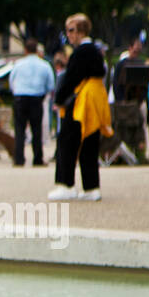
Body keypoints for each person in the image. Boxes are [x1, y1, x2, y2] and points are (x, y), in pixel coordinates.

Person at [49, 14, 110, 201]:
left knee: (67, 141)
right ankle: (91, 187)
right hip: (94, 99)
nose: (68, 34)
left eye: (72, 30)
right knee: (89, 144)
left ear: (82, 30)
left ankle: (66, 184)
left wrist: (59, 99)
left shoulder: (81, 52)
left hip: (82, 101)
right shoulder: (94, 50)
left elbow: (71, 78)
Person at [8, 38, 55, 166]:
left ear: (25, 50)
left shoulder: (18, 64)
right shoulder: (44, 65)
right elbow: (50, 85)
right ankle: (38, 158)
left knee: (19, 129)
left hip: (20, 97)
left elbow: (12, 82)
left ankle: (19, 158)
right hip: (36, 98)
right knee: (36, 130)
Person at [107, 39, 148, 163]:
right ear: (129, 48)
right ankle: (119, 153)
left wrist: (141, 100)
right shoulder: (121, 64)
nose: (137, 51)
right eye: (135, 48)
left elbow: (145, 83)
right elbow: (116, 83)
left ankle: (139, 151)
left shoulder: (141, 63)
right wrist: (120, 100)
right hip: (122, 102)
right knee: (120, 127)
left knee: (139, 125)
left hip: (137, 102)